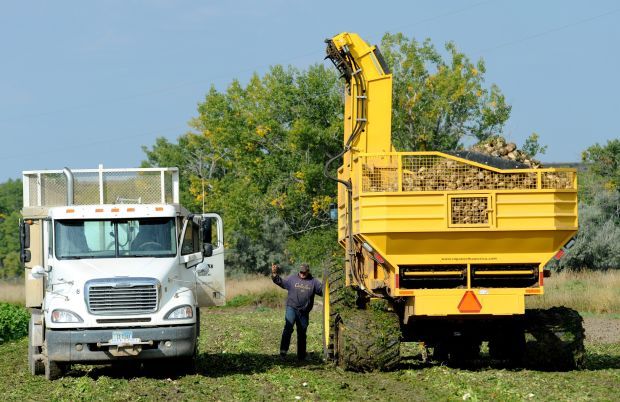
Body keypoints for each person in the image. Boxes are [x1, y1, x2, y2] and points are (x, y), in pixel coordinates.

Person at [271, 262, 323, 361]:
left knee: (302, 333)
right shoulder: (292, 279)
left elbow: (323, 291)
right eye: (301, 272)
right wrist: (274, 274)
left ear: (308, 271)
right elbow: (280, 282)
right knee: (288, 329)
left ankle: (301, 356)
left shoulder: (314, 282)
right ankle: (283, 353)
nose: (302, 274)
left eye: (304, 272)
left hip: (304, 312)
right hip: (292, 308)